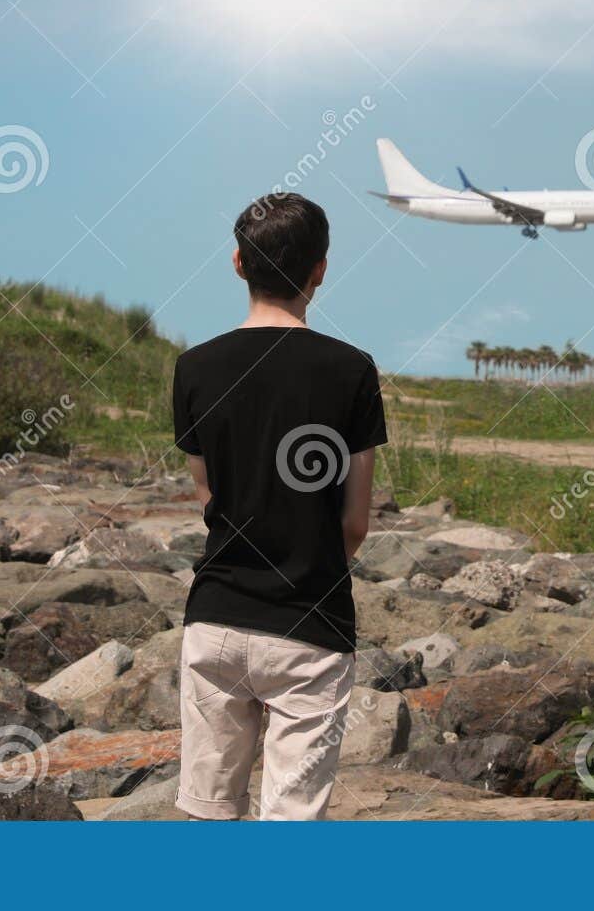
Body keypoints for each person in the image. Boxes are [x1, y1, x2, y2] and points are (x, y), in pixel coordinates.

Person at [171, 192, 386, 821]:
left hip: (214, 616)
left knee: (206, 813)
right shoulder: (351, 371)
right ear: (321, 268)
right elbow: (355, 522)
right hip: (309, 626)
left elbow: (211, 500)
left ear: (238, 263)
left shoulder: (195, 368)